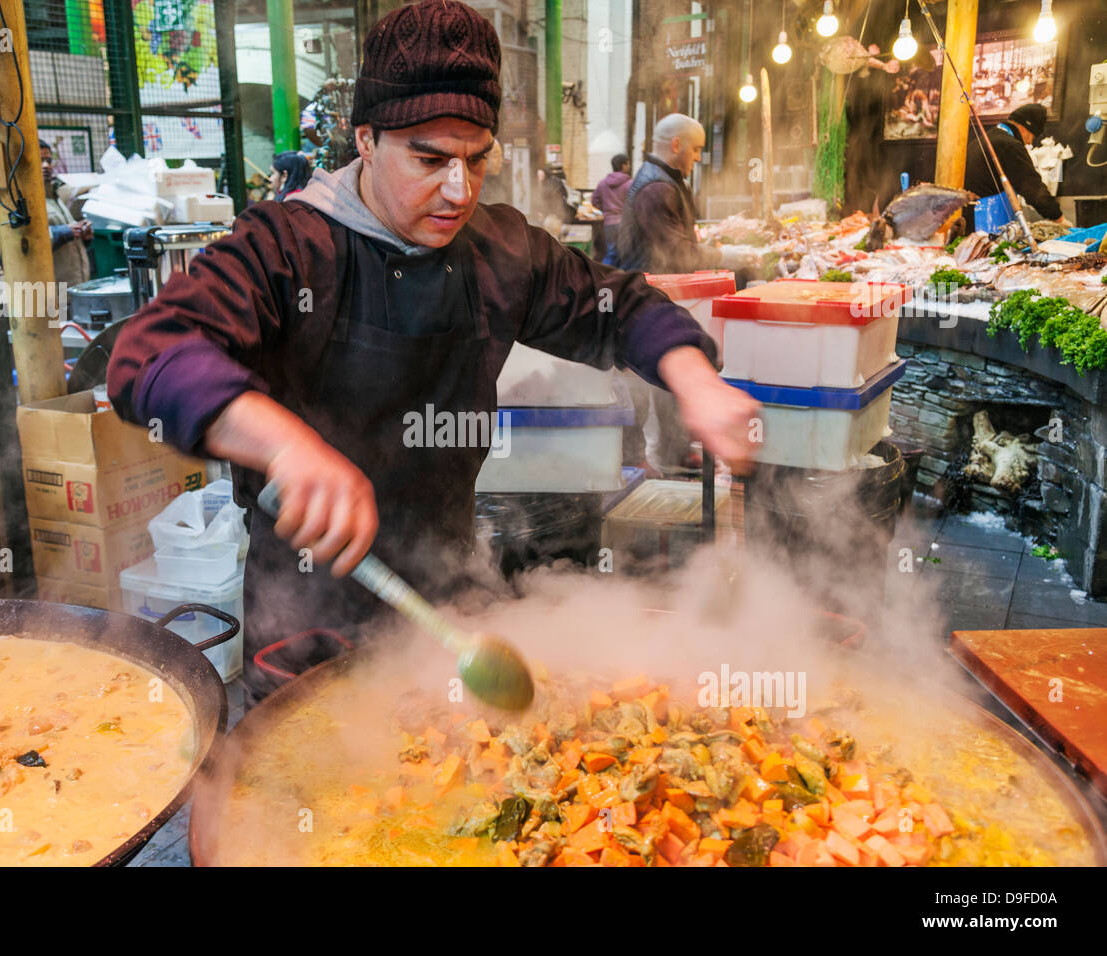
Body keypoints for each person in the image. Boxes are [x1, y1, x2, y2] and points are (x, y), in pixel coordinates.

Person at [107, 0, 759, 706]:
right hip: (304, 624)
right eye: (430, 159)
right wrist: (285, 447)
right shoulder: (289, 248)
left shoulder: (501, 251)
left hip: (448, 608)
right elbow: (151, 353)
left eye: (478, 160)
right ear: (365, 139)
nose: (459, 190)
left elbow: (625, 306)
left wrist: (695, 381)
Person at [616, 113, 723, 274]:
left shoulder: (664, 180)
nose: (699, 158)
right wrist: (723, 256)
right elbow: (676, 253)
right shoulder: (656, 189)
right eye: (696, 149)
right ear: (676, 145)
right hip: (650, 291)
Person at [963, 104, 1067, 230]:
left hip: (967, 218)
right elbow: (1033, 189)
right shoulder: (1010, 145)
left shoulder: (986, 139)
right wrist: (1058, 218)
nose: (1029, 142)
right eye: (1032, 136)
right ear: (1025, 127)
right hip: (984, 224)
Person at [38, 141, 92, 294]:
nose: (46, 166)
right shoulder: (26, 201)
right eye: (39, 160)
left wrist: (82, 235)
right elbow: (29, 242)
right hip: (53, 293)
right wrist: (63, 232)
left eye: (48, 161)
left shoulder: (54, 196)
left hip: (75, 286)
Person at [592, 153, 631, 266]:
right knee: (625, 255)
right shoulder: (630, 184)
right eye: (628, 164)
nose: (629, 167)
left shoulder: (602, 183)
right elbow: (635, 203)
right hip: (625, 224)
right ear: (623, 166)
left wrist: (605, 209)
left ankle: (605, 277)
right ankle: (624, 280)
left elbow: (594, 201)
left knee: (610, 252)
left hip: (608, 223)